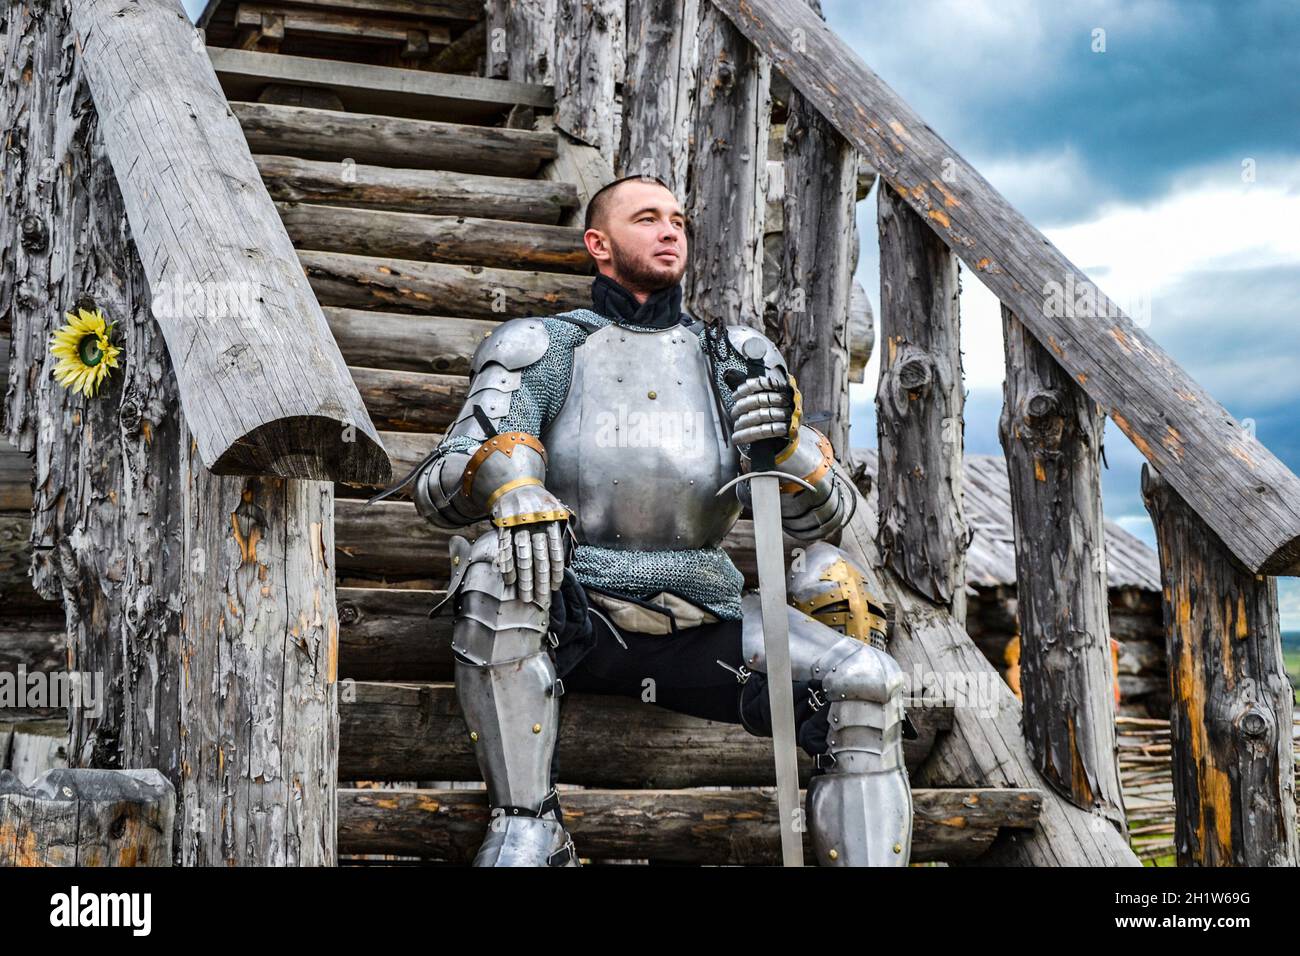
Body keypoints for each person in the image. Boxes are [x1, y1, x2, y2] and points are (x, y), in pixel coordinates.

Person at [406, 174, 913, 867]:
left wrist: (790, 449)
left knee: (868, 680)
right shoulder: (542, 347)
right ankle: (527, 822)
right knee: (495, 564)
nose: (670, 230)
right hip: (573, 614)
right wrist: (510, 483)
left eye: (677, 219)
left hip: (703, 615)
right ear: (599, 244)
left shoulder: (735, 358)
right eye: (646, 219)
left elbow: (821, 520)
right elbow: (441, 484)